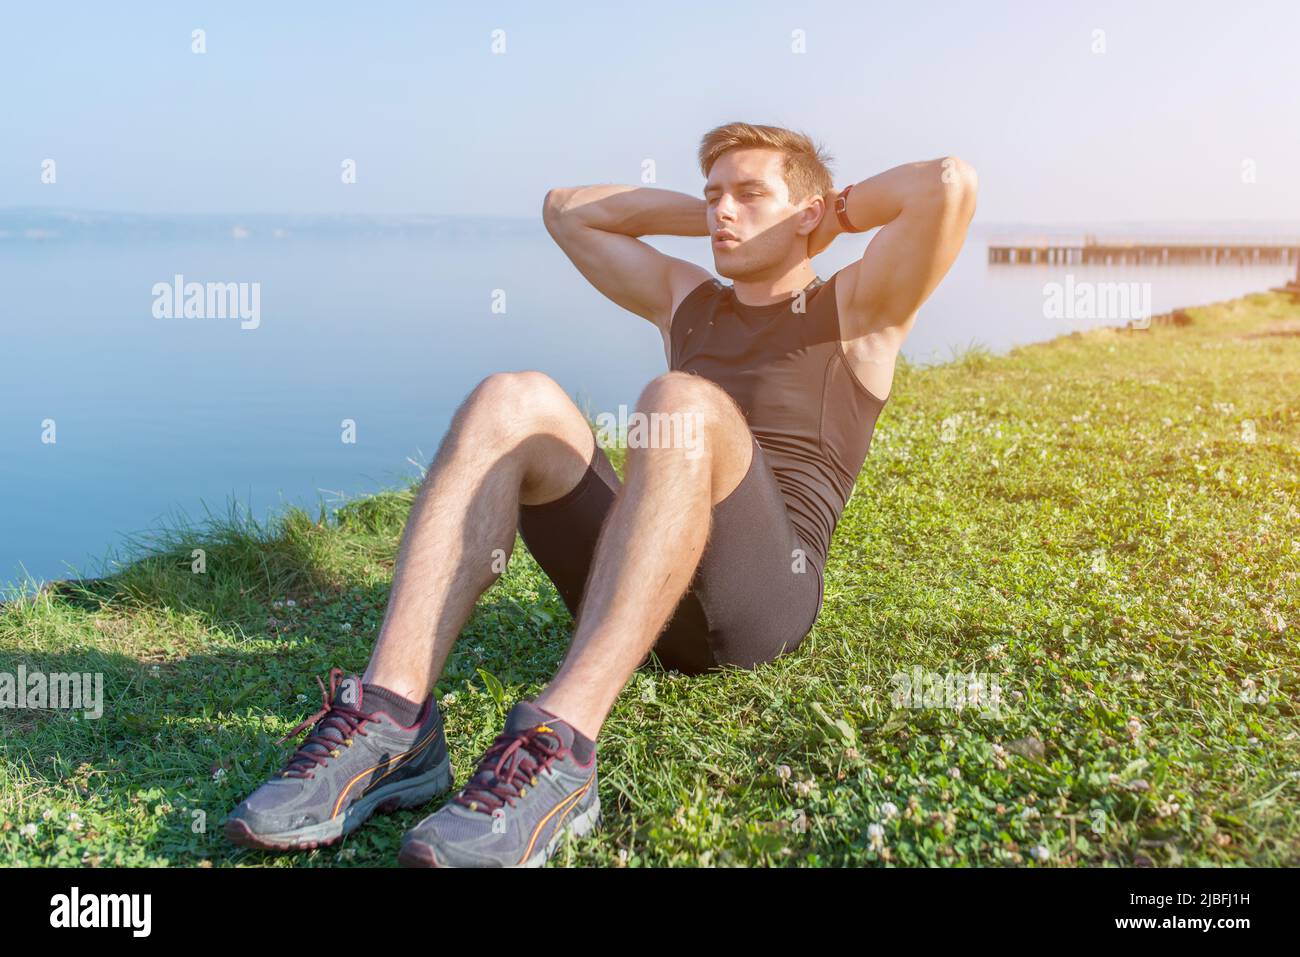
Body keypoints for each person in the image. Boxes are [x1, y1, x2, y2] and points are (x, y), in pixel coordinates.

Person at [223, 121, 977, 867]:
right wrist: (732, 221)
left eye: (750, 194)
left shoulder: (858, 311)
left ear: (808, 210)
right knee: (510, 396)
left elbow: (947, 185)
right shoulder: (689, 299)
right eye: (713, 194)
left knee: (679, 399)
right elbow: (567, 210)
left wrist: (821, 221)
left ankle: (561, 747)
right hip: (640, 582)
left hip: (761, 606)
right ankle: (392, 717)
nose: (721, 210)